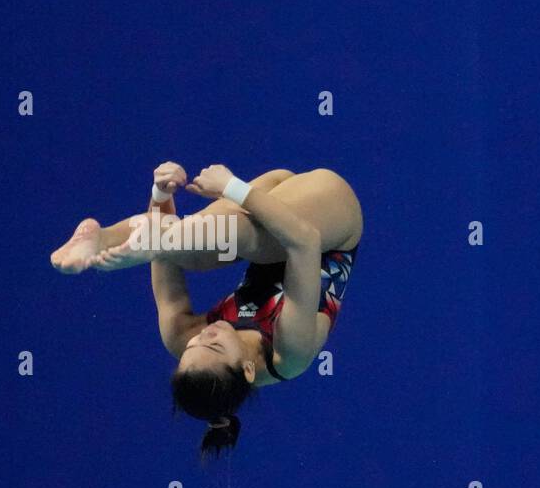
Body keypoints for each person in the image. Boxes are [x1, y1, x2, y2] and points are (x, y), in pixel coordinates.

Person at [50, 163, 363, 454]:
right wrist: (232, 186)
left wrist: (161, 194)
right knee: (236, 235)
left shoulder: (182, 337)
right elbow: (304, 241)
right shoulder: (288, 352)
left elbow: (163, 254)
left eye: (193, 345)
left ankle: (100, 238)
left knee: (201, 244)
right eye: (214, 344)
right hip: (329, 225)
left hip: (272, 208)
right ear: (248, 369)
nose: (204, 335)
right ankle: (126, 239)